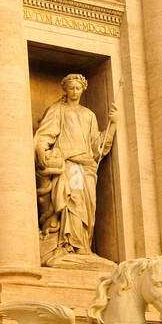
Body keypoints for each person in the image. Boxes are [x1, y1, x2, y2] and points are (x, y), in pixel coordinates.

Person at [34, 73, 116, 266]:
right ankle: (68, 245)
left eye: (78, 88)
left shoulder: (89, 115)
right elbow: (45, 134)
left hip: (85, 165)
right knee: (73, 201)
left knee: (86, 207)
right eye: (71, 88)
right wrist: (42, 152)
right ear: (65, 89)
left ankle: (83, 247)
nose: (74, 91)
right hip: (70, 164)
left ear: (83, 89)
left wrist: (113, 124)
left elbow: (97, 144)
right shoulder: (57, 110)